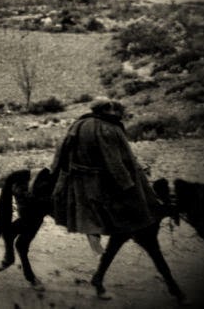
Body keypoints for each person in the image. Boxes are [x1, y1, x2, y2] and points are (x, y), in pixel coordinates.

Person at [50, 99, 163, 236]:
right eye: (115, 110)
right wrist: (126, 183)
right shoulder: (108, 128)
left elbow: (62, 151)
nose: (118, 113)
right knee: (134, 206)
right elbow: (114, 161)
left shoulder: (78, 124)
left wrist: (60, 171)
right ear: (106, 109)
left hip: (80, 181)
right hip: (101, 181)